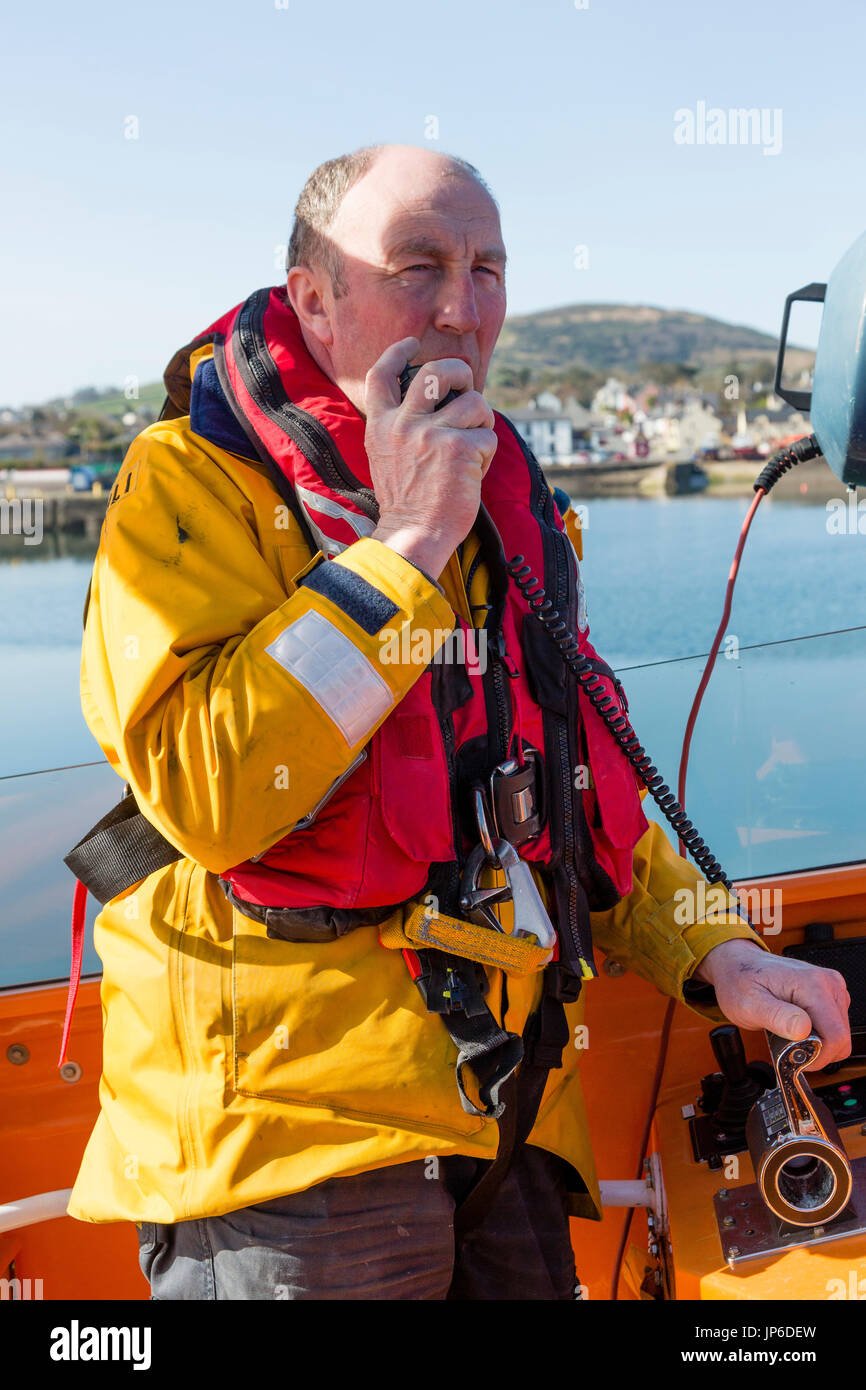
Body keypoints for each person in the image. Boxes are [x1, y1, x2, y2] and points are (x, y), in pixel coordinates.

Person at [65, 144, 851, 1301]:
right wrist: (405, 548)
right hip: (290, 1154)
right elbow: (209, 795)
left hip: (506, 1120)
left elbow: (570, 796)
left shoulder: (507, 503)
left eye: (486, 268)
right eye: (416, 264)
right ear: (313, 297)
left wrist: (714, 953)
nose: (459, 305)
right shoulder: (187, 486)